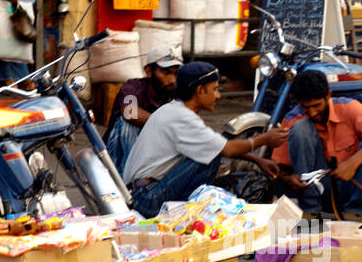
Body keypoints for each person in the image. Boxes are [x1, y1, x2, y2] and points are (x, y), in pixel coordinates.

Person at [123, 62, 286, 219]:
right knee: (211, 157)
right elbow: (225, 149)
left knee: (210, 152)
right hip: (149, 198)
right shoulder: (182, 118)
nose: (218, 96)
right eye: (214, 89)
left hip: (142, 194)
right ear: (200, 90)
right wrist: (263, 139)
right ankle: (186, 212)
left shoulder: (172, 110)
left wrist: (256, 159)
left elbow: (214, 144)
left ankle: (188, 209)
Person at [273, 70, 362, 219]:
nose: (312, 112)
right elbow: (277, 168)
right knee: (300, 128)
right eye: (306, 107)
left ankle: (357, 211)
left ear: (328, 96)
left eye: (316, 105)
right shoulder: (293, 118)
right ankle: (310, 210)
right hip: (320, 189)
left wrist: (352, 164)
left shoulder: (348, 107)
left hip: (352, 186)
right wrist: (288, 179)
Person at [104, 44, 182, 173]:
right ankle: (129, 182)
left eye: (175, 74)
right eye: (166, 73)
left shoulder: (173, 94)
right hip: (116, 156)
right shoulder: (132, 87)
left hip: (149, 157)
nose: (172, 80)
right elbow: (130, 112)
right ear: (149, 71)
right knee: (128, 124)